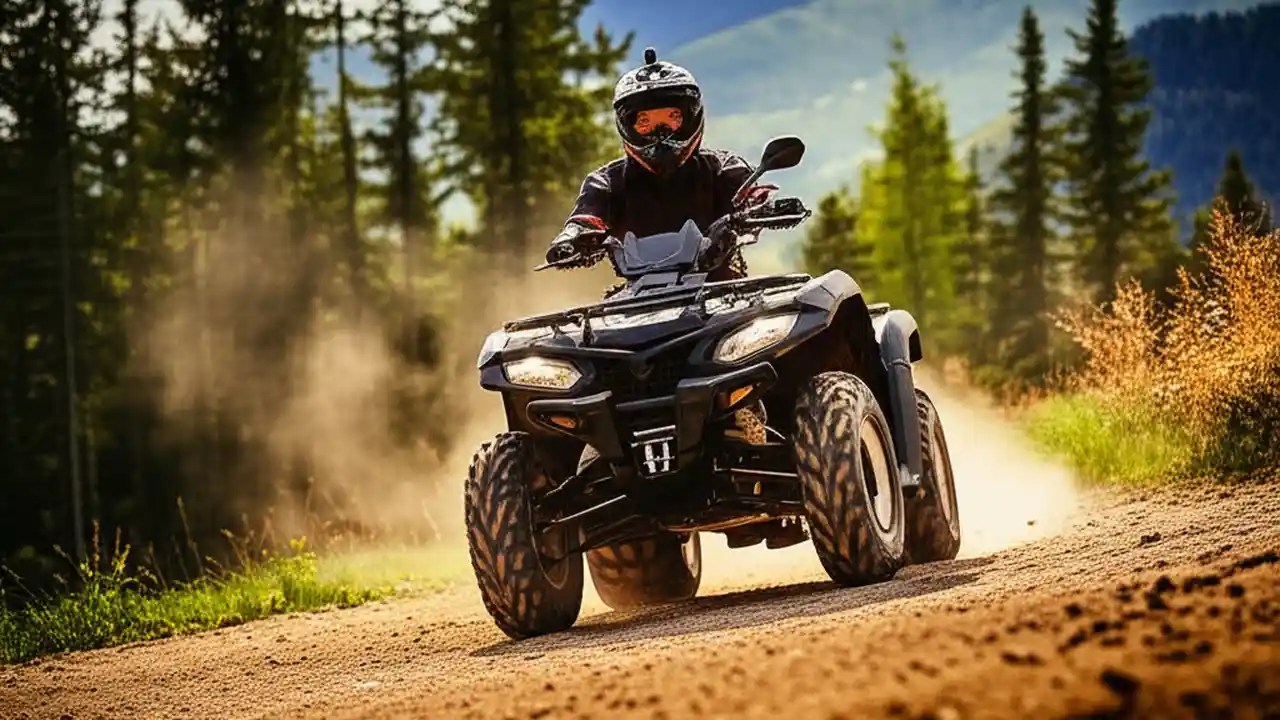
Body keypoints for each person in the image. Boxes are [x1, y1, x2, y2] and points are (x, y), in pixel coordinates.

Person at [545, 47, 767, 285]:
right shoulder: (606, 182)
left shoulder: (722, 167)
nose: (659, 133)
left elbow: (752, 193)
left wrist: (765, 207)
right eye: (644, 122)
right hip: (638, 298)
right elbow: (587, 217)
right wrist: (572, 237)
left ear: (692, 116)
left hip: (723, 288)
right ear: (626, 125)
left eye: (672, 118)